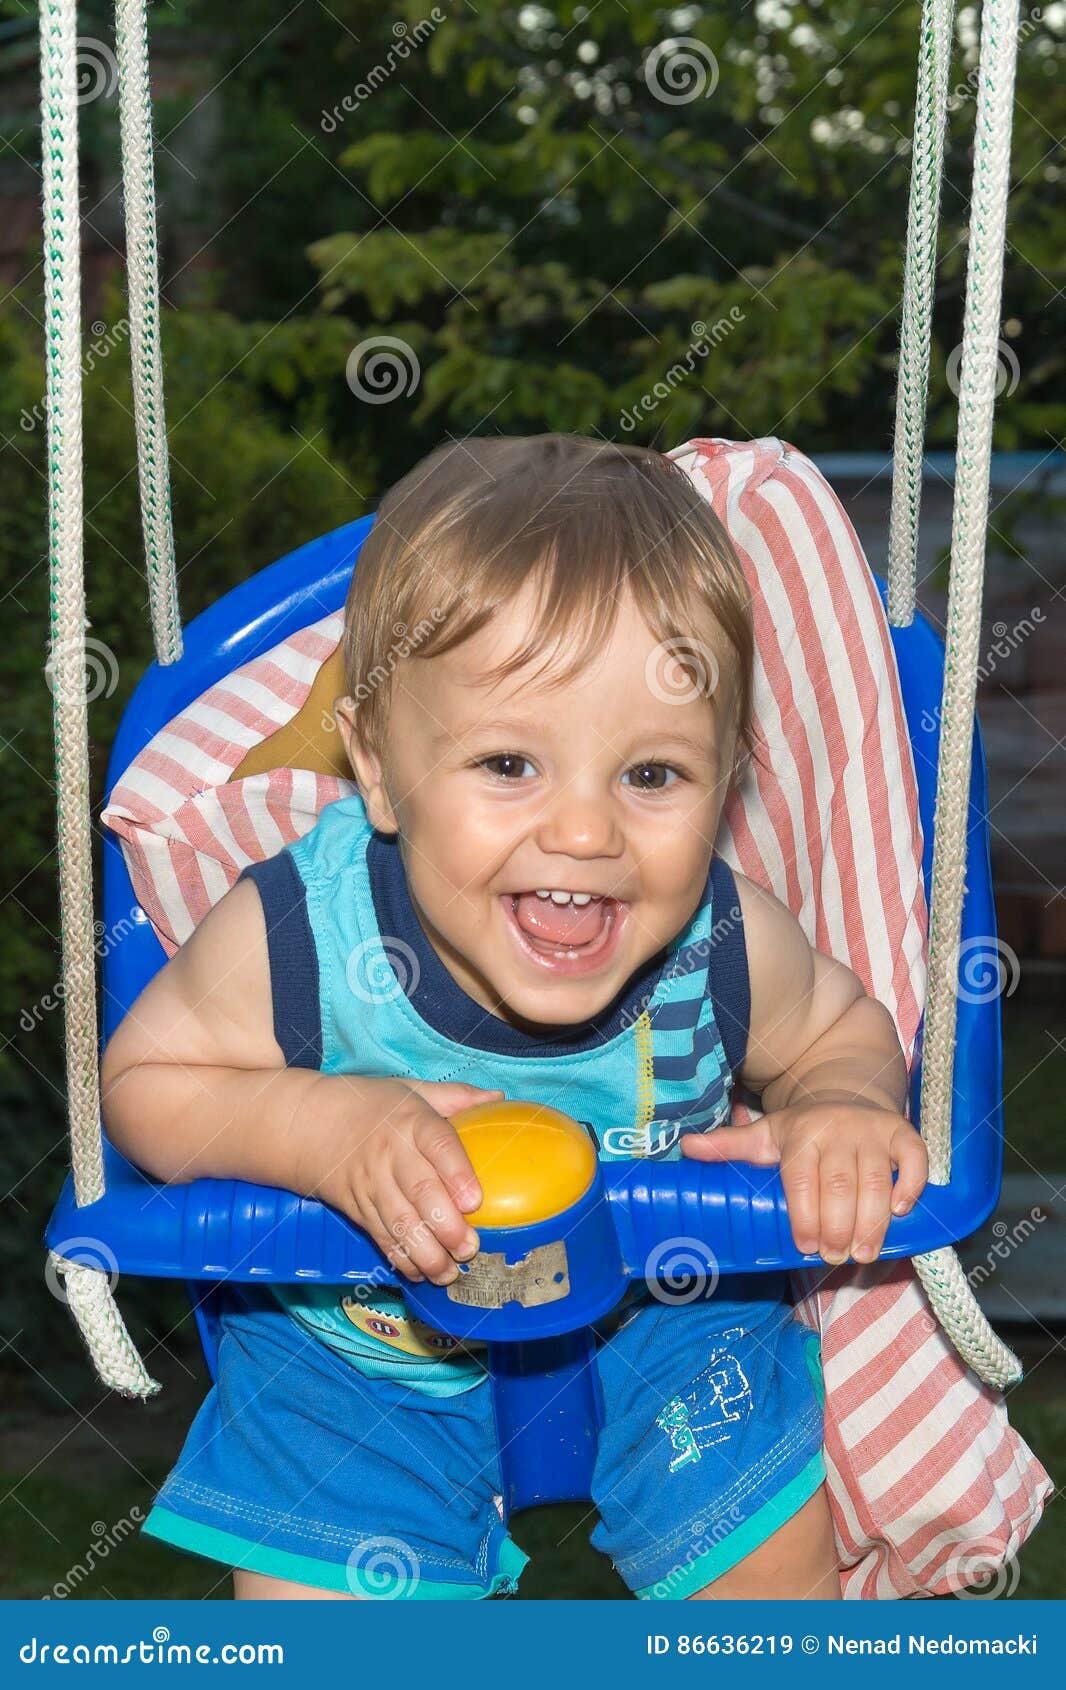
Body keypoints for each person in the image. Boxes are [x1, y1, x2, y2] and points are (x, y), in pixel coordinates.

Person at [100, 433, 927, 1601]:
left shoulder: (721, 939)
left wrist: (840, 1103)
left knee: (774, 1592)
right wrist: (326, 1134)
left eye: (650, 776)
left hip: (666, 1314)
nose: (584, 833)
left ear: (726, 780)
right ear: (379, 771)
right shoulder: (304, 932)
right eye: (507, 764)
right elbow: (145, 1084)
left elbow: (835, 1028)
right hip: (357, 1344)